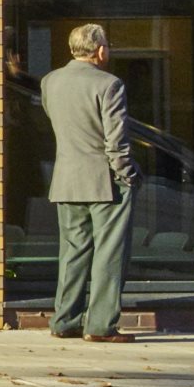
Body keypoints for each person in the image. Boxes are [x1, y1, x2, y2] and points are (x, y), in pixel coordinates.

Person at [41, 21, 138, 341]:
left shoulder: (50, 81)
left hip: (67, 178)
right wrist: (127, 172)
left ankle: (64, 320)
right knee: (109, 254)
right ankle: (100, 325)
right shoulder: (109, 84)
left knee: (72, 252)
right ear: (99, 50)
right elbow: (116, 139)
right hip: (105, 181)